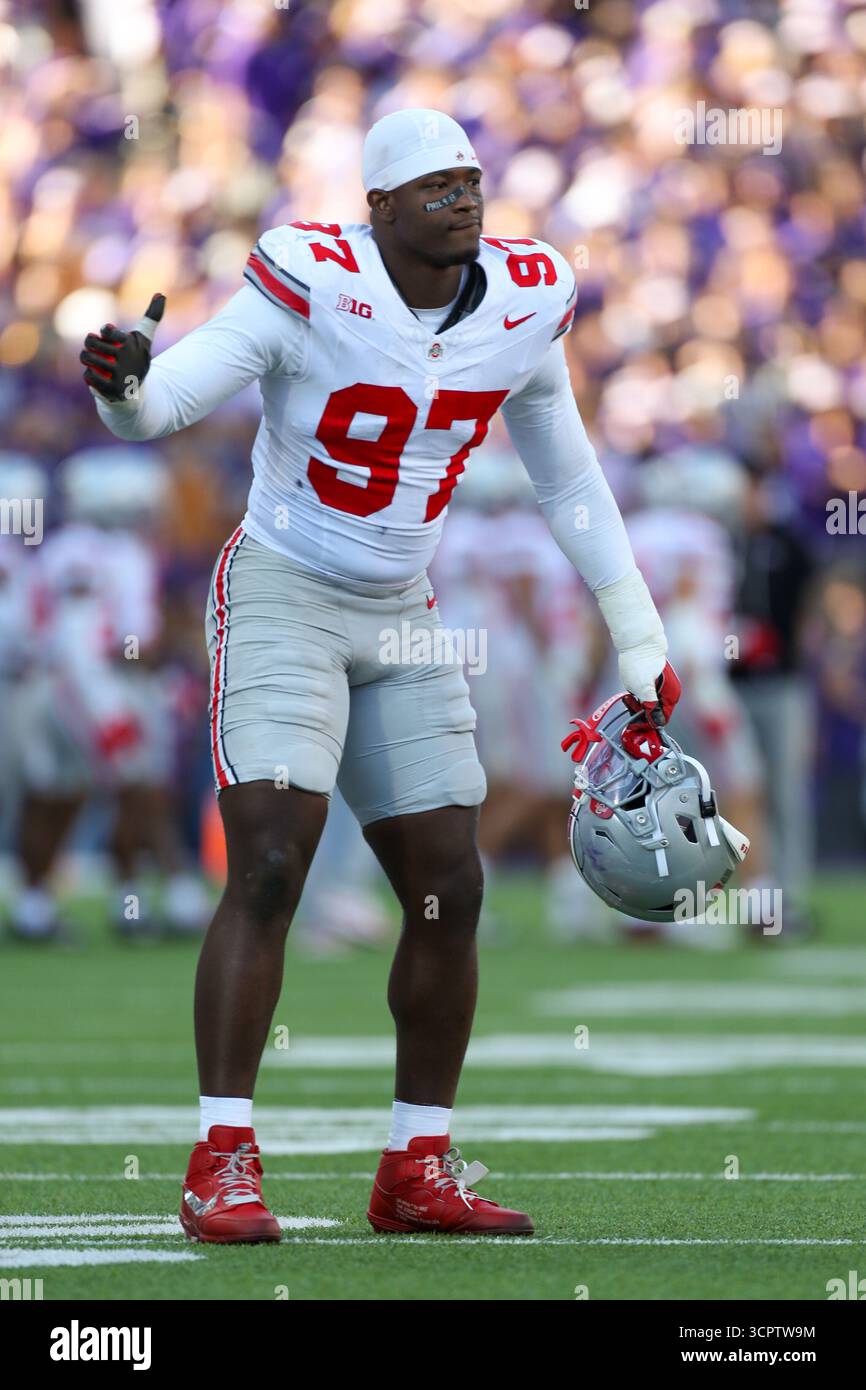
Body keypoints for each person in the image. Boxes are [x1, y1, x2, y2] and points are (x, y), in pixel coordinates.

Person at [81, 109, 679, 1239]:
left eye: (471, 178)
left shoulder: (523, 296)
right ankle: (221, 1155)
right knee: (268, 861)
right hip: (283, 586)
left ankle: (414, 1164)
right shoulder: (307, 278)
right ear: (379, 208)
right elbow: (159, 407)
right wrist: (120, 386)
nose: (464, 198)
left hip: (402, 609)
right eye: (436, 185)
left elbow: (568, 479)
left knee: (449, 880)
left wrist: (637, 632)